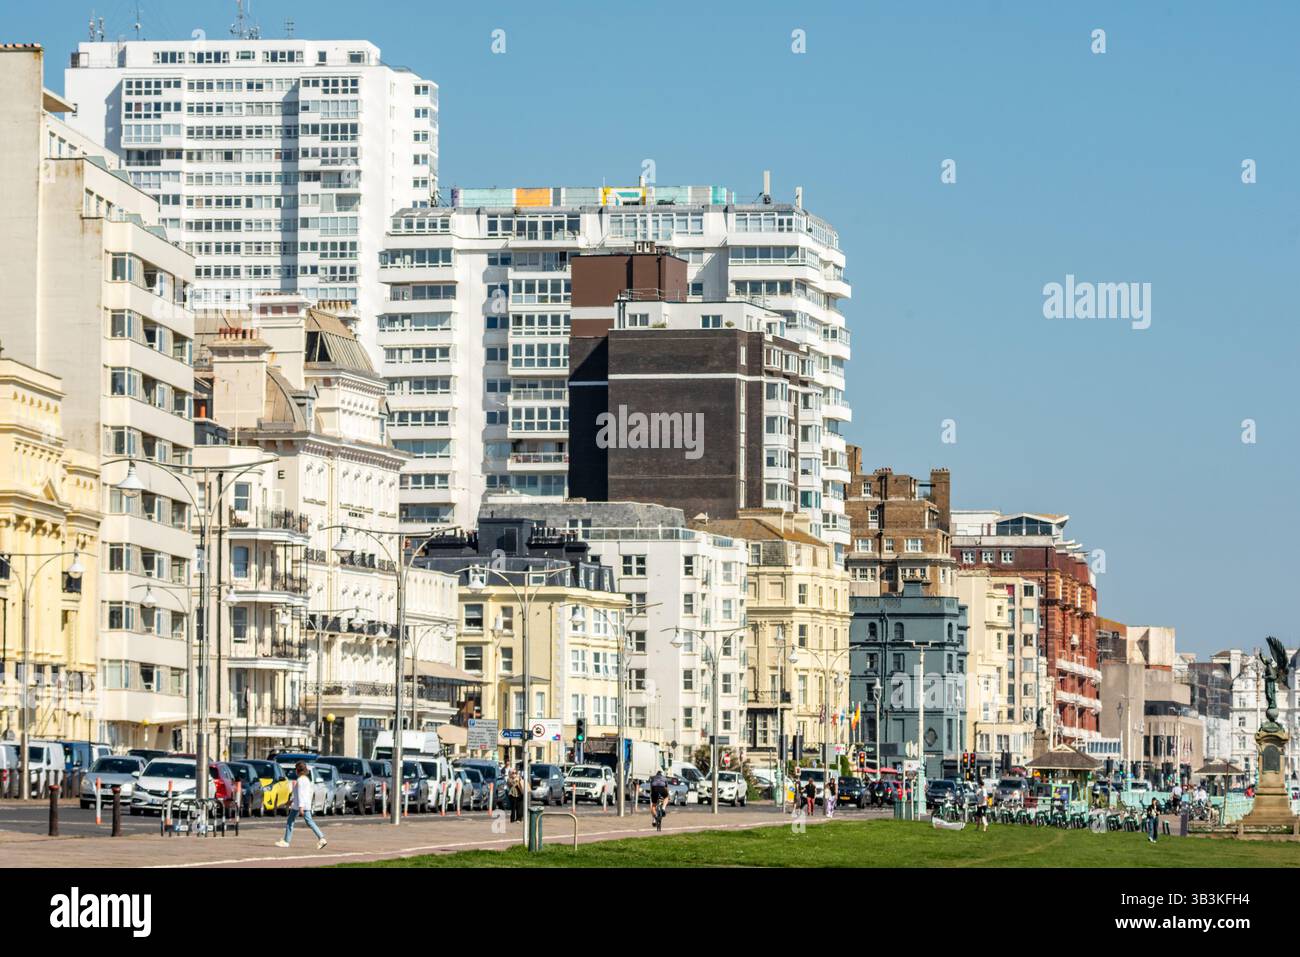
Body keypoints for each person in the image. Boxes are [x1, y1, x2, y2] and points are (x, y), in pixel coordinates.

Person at [276, 761, 327, 850]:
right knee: (308, 822)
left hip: (299, 805)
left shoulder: (300, 780)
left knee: (290, 822)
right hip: (302, 804)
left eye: (295, 769)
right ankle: (321, 838)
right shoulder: (306, 779)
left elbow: (301, 794)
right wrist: (290, 801)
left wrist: (300, 807)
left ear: (298, 770)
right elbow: (301, 794)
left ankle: (286, 841)